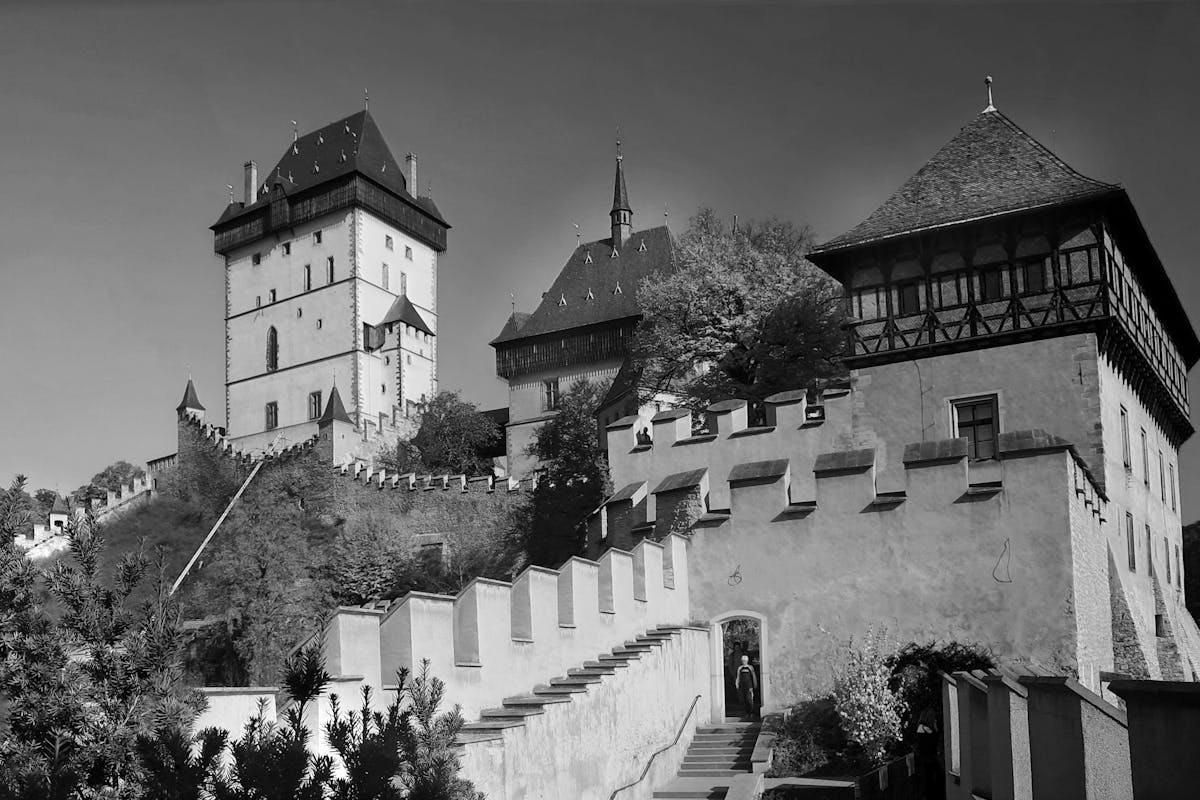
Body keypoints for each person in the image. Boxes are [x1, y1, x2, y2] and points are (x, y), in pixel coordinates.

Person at [735, 654, 758, 720]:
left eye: (745, 660)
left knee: (749, 699)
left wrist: (755, 684)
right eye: (742, 661)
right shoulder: (740, 668)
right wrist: (737, 683)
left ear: (747, 661)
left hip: (749, 686)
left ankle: (752, 713)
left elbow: (753, 676)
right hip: (742, 686)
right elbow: (738, 676)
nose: (743, 662)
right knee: (744, 700)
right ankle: (747, 713)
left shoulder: (750, 667)